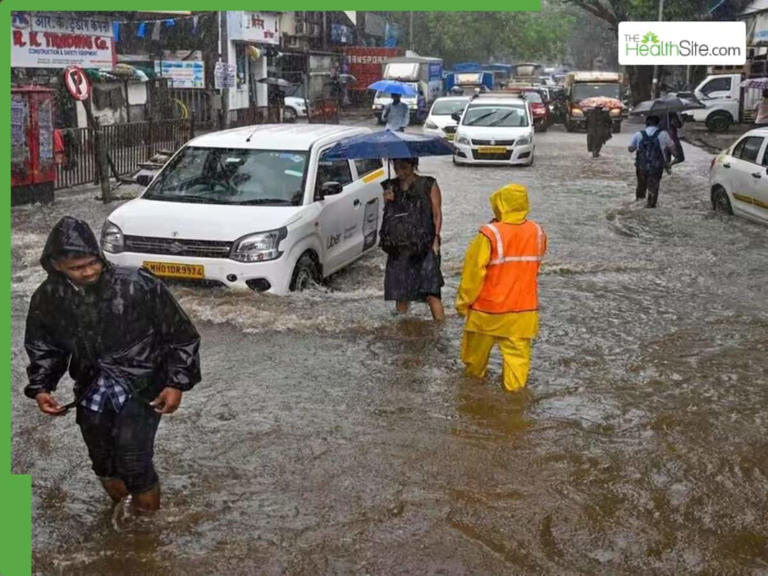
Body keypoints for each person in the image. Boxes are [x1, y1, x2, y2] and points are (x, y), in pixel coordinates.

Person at [24, 217, 201, 513]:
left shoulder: (138, 283)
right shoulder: (49, 296)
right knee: (103, 463)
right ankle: (126, 524)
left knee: (134, 461)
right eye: (78, 268)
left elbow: (181, 336)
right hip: (91, 387)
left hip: (142, 385)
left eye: (92, 262)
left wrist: (176, 383)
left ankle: (147, 534)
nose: (89, 271)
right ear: (56, 265)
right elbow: (45, 345)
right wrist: (42, 387)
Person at [456, 184, 547, 393]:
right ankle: (515, 411)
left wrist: (463, 303)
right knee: (517, 371)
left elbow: (472, 273)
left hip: (487, 312)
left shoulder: (489, 233)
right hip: (522, 313)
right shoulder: (538, 232)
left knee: (473, 367)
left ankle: (472, 402)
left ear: (499, 203)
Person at [380, 157, 445, 320]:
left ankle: (440, 330)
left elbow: (437, 213)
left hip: (424, 244)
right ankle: (403, 330)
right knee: (401, 293)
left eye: (404, 167)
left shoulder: (429, 184)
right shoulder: (390, 186)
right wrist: (387, 201)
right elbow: (389, 217)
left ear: (413, 166)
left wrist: (436, 238)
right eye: (396, 167)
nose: (400, 171)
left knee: (431, 291)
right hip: (399, 246)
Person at [628, 115, 675, 208]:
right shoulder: (664, 134)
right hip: (656, 167)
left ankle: (638, 205)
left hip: (641, 166)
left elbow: (630, 149)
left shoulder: (638, 134)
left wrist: (636, 147)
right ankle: (651, 205)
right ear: (658, 124)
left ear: (646, 123)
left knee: (641, 185)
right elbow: (673, 150)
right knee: (653, 186)